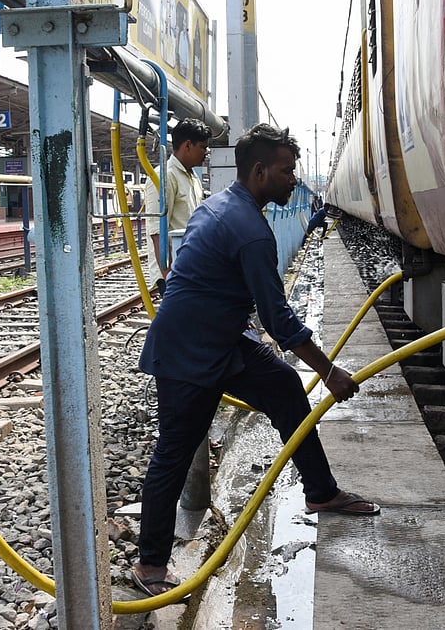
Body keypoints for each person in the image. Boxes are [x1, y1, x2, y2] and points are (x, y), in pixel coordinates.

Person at [132, 123, 378, 600]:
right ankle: (150, 562)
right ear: (260, 171)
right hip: (187, 351)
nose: (293, 179)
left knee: (285, 388)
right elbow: (278, 319)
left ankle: (321, 491)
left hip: (221, 341)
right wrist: (330, 373)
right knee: (174, 454)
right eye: (287, 171)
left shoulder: (220, 205)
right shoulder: (251, 232)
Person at [145, 118, 211, 294]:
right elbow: (157, 232)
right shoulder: (164, 176)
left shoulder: (192, 177)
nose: (206, 152)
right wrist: (170, 277)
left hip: (191, 268)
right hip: (175, 273)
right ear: (187, 145)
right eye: (203, 147)